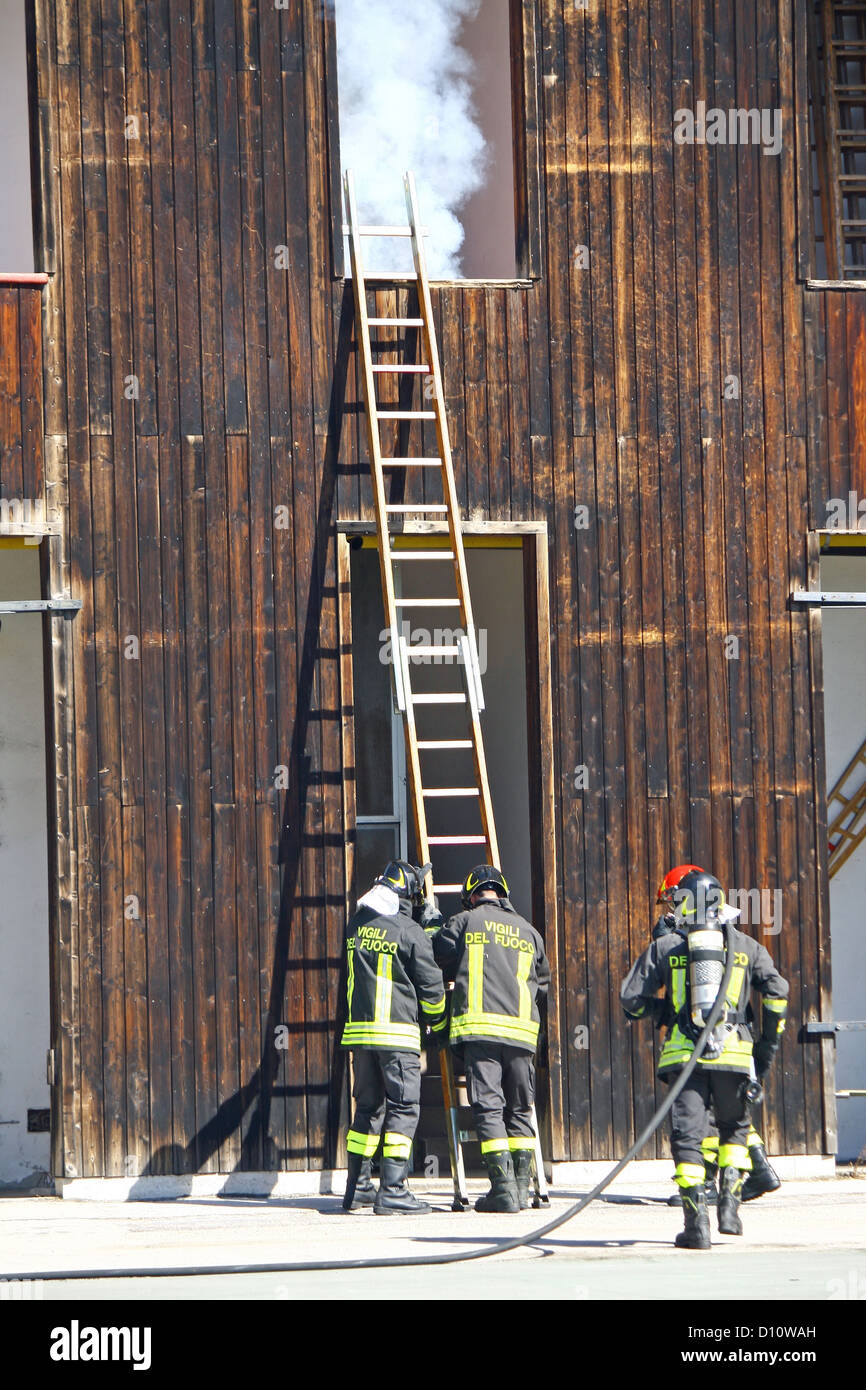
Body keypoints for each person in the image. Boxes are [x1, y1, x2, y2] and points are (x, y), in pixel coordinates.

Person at [621, 869, 788, 1249]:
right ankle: (729, 1205)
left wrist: (665, 1013)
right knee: (734, 1130)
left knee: (688, 1139)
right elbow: (778, 991)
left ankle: (696, 1225)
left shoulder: (666, 947)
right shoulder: (746, 946)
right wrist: (766, 1045)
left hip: (685, 1058)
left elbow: (630, 1001)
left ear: (682, 903)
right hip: (735, 1055)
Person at [654, 866, 782, 1208]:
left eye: (671, 899)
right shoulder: (728, 926)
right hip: (738, 1031)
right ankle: (758, 1170)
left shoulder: (693, 929)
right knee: (732, 1113)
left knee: (707, 1114)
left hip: (709, 1031)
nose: (669, 908)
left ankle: (709, 1183)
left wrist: (663, 938)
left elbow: (677, 970)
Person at [433, 865, 550, 1213]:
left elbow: (437, 955)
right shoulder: (530, 931)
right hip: (522, 1036)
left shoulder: (466, 921)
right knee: (519, 1109)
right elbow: (542, 985)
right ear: (503, 893)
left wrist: (430, 924)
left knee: (488, 1107)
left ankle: (502, 1191)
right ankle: (518, 1188)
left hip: (481, 1033)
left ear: (471, 895)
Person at [340, 860, 448, 1214]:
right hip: (398, 1036)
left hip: (361, 1036)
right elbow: (432, 988)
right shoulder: (410, 931)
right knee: (403, 1108)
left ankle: (357, 1188)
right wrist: (437, 1026)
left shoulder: (357, 924)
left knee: (368, 1109)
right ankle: (394, 1190)